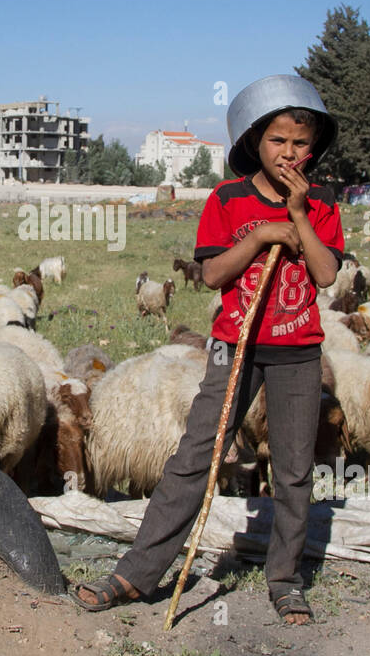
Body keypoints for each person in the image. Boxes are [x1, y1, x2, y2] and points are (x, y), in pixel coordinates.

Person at [70, 74, 343, 624]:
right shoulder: (228, 200)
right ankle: (136, 572)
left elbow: (326, 273)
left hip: (296, 353)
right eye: (277, 141)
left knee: (292, 468)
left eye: (299, 144)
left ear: (311, 149)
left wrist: (296, 216)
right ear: (254, 142)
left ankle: (286, 580)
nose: (289, 153)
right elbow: (214, 273)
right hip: (233, 348)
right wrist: (262, 236)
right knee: (196, 455)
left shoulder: (323, 203)